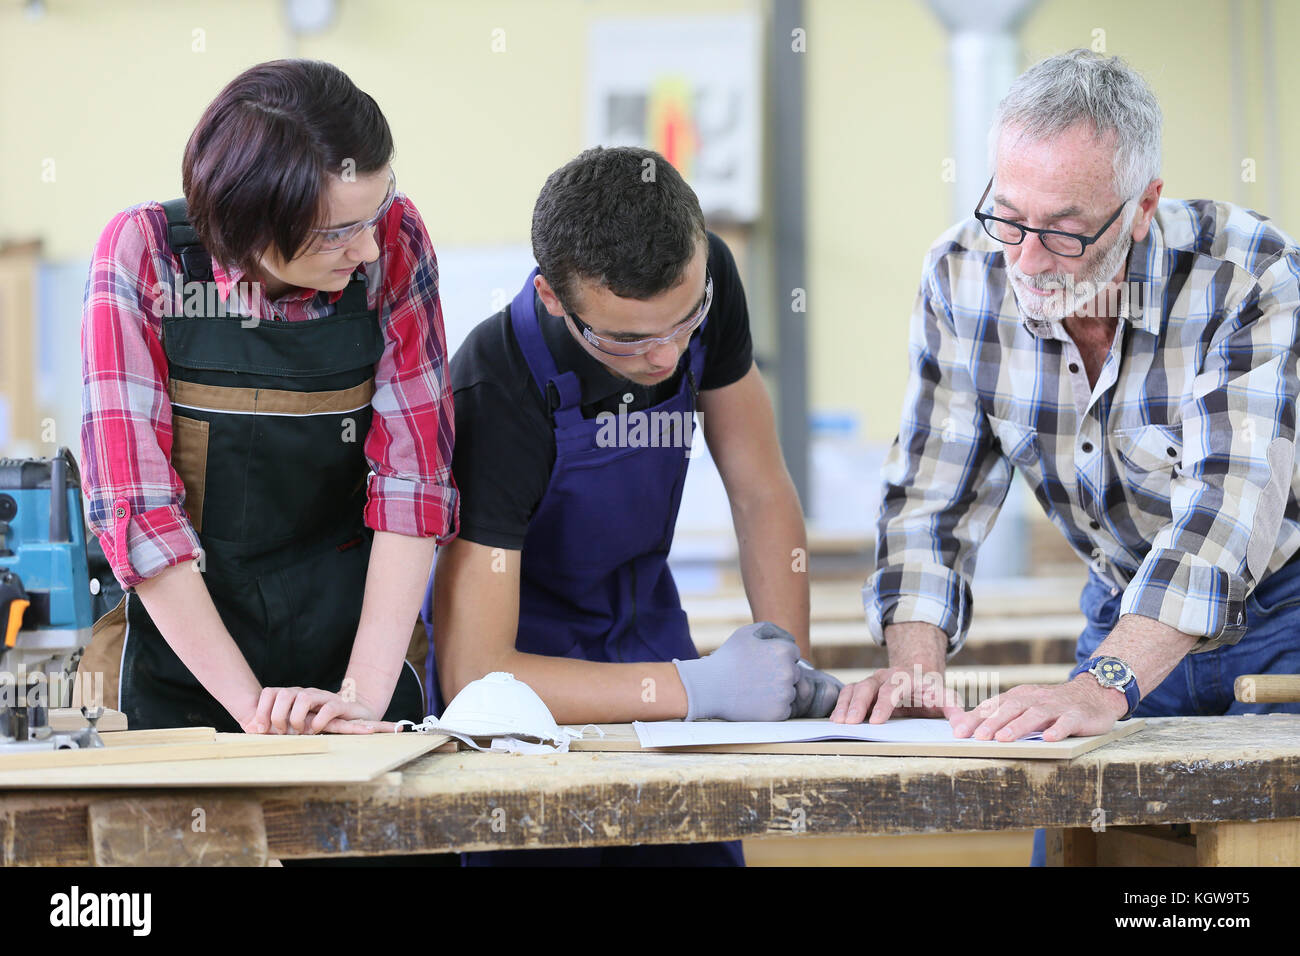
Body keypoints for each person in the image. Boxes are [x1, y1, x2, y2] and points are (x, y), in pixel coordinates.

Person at [828, 50, 1300, 861]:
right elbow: (930, 501)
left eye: (1063, 232)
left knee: (1246, 876)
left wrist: (1102, 686)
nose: (1028, 259)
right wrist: (915, 669)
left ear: (1143, 205)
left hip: (1280, 624)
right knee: (1077, 855)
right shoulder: (961, 276)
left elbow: (1226, 508)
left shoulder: (1246, 276)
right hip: (1119, 613)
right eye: (1007, 218)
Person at [427, 146, 839, 866]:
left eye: (684, 323)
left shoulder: (702, 279)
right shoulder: (496, 387)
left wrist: (783, 664)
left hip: (653, 639)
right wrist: (698, 686)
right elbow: (477, 673)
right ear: (554, 297)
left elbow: (759, 488)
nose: (665, 357)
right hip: (531, 698)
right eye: (626, 339)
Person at [79, 59, 458, 737]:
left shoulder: (394, 241)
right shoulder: (145, 257)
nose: (368, 247)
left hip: (359, 657)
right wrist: (257, 713)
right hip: (187, 675)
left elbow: (413, 482)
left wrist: (360, 702)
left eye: (374, 210)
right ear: (251, 225)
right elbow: (139, 512)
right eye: (337, 233)